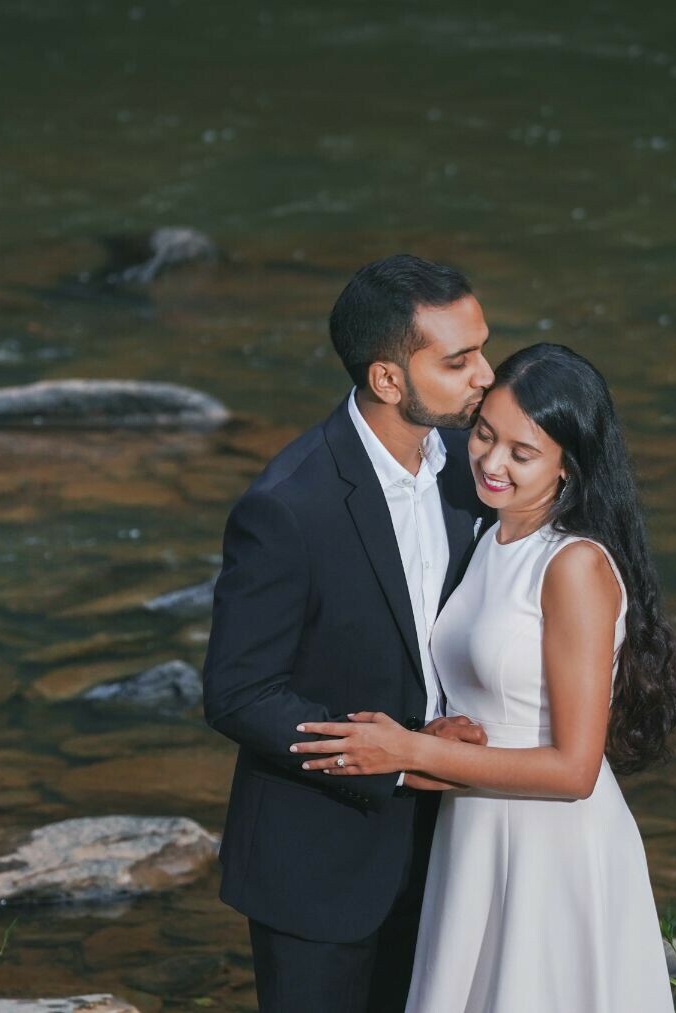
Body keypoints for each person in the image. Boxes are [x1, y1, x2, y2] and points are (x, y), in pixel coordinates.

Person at [291, 342, 676, 1012]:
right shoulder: (490, 536)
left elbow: (575, 769)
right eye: (484, 433)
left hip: (551, 846)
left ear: (570, 464)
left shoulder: (573, 566)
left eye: (522, 452)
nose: (491, 462)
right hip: (475, 827)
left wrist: (409, 749)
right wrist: (415, 751)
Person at [202, 254, 497, 1012]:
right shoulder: (287, 506)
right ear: (388, 378)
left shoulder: (477, 471)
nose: (487, 376)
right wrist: (392, 760)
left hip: (457, 844)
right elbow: (238, 691)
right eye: (459, 360)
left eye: (483, 349)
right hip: (318, 861)